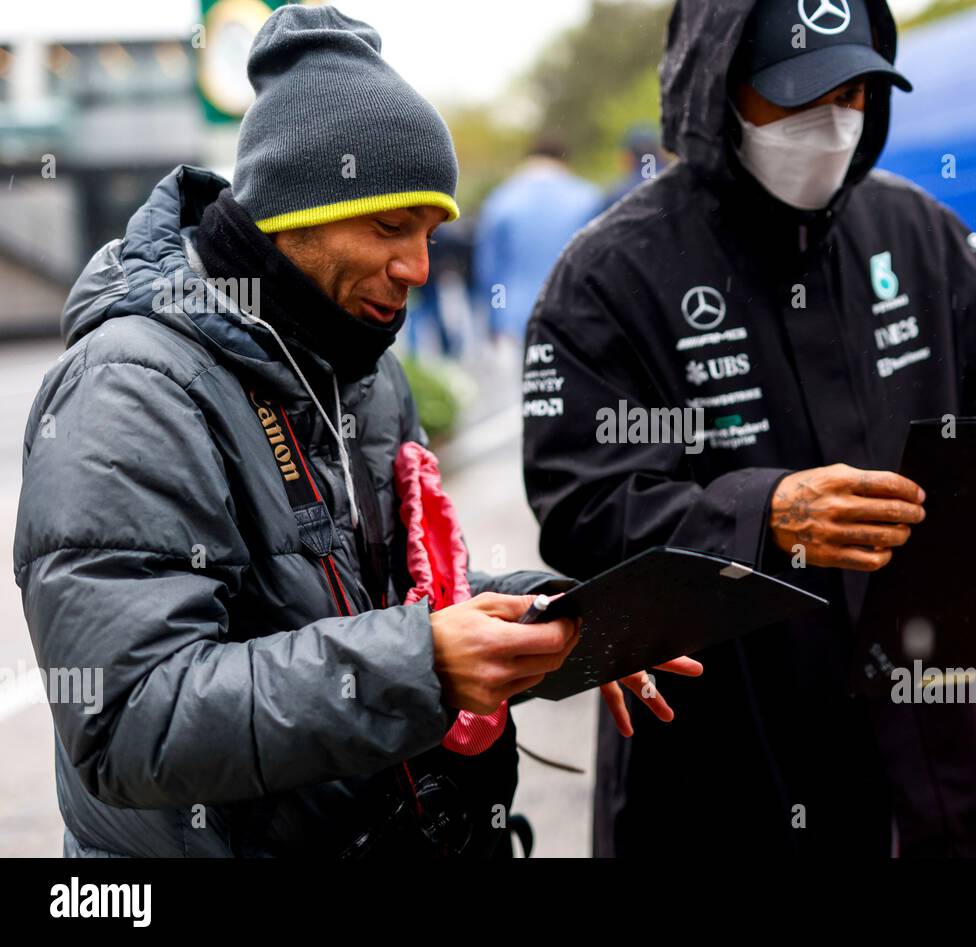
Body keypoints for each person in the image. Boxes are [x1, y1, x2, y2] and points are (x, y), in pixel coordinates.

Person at [14, 5, 688, 859]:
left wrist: (546, 613)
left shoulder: (362, 367)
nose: (420, 266)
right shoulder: (126, 388)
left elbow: (385, 593)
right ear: (292, 213)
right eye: (388, 227)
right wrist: (425, 664)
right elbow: (132, 716)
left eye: (431, 231)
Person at [522, 0, 976, 857]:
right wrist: (763, 514)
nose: (831, 124)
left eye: (855, 94)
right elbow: (582, 506)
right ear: (717, 89)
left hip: (935, 763)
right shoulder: (612, 277)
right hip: (721, 779)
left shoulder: (919, 233)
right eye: (797, 98)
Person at [473, 139, 603, 344]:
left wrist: (494, 318)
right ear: (565, 161)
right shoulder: (589, 197)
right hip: (575, 314)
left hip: (514, 317)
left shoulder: (501, 199)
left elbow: (489, 269)